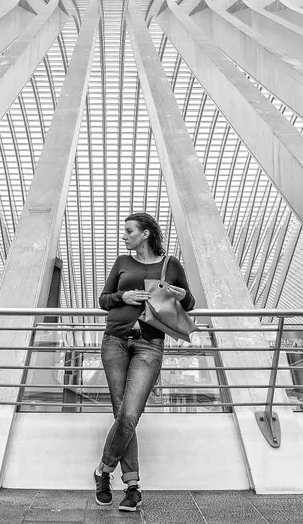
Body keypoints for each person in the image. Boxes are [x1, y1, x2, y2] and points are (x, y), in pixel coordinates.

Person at [93, 212, 195, 512]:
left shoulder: (171, 265)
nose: (124, 236)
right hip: (115, 341)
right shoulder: (123, 262)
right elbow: (103, 299)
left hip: (149, 344)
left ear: (146, 234)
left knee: (129, 413)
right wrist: (123, 296)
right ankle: (133, 486)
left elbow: (189, 304)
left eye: (129, 231)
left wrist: (182, 293)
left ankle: (103, 469)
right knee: (121, 411)